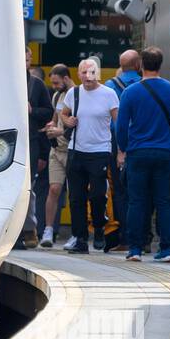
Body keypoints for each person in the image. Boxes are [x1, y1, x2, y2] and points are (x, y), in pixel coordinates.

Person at [115, 46, 170, 262]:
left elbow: (121, 127)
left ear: (140, 65)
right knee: (164, 201)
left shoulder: (130, 92)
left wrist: (124, 147)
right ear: (160, 65)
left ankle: (135, 249)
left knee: (137, 201)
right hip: (164, 153)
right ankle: (167, 249)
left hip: (137, 153)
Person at [59, 58, 119, 254]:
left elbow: (118, 121)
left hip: (100, 151)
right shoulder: (73, 93)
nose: (87, 76)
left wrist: (120, 150)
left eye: (91, 72)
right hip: (76, 151)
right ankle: (81, 239)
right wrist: (68, 121)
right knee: (76, 197)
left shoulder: (109, 94)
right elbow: (63, 114)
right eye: (84, 72)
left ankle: (100, 227)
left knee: (97, 195)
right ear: (79, 74)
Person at [104, 49, 143, 252]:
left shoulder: (110, 86)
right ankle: (145, 237)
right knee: (142, 192)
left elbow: (108, 120)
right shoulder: (145, 85)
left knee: (119, 192)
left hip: (116, 143)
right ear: (138, 65)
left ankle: (125, 237)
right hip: (142, 142)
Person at [22, 47, 55, 247]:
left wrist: (32, 110)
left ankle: (28, 230)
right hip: (5, 142)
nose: (25, 63)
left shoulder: (36, 85)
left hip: (31, 141)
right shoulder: (3, 83)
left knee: (28, 188)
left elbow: (48, 113)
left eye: (28, 59)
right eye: (22, 58)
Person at [40, 64, 74, 247]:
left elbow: (79, 124)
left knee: (76, 193)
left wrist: (58, 132)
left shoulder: (77, 95)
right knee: (54, 189)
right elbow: (54, 119)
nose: (54, 86)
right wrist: (49, 127)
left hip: (71, 150)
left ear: (66, 78)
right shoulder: (56, 96)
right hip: (56, 150)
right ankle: (48, 229)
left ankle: (77, 232)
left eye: (56, 82)